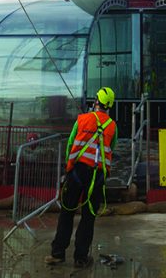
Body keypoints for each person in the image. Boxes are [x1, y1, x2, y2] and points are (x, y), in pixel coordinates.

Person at [45, 87, 118, 269]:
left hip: (77, 173)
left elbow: (71, 143)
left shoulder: (82, 119)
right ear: (109, 106)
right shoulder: (112, 126)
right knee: (88, 217)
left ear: (96, 102)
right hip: (97, 176)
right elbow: (111, 148)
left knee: (67, 212)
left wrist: (68, 169)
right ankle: (81, 258)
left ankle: (58, 254)